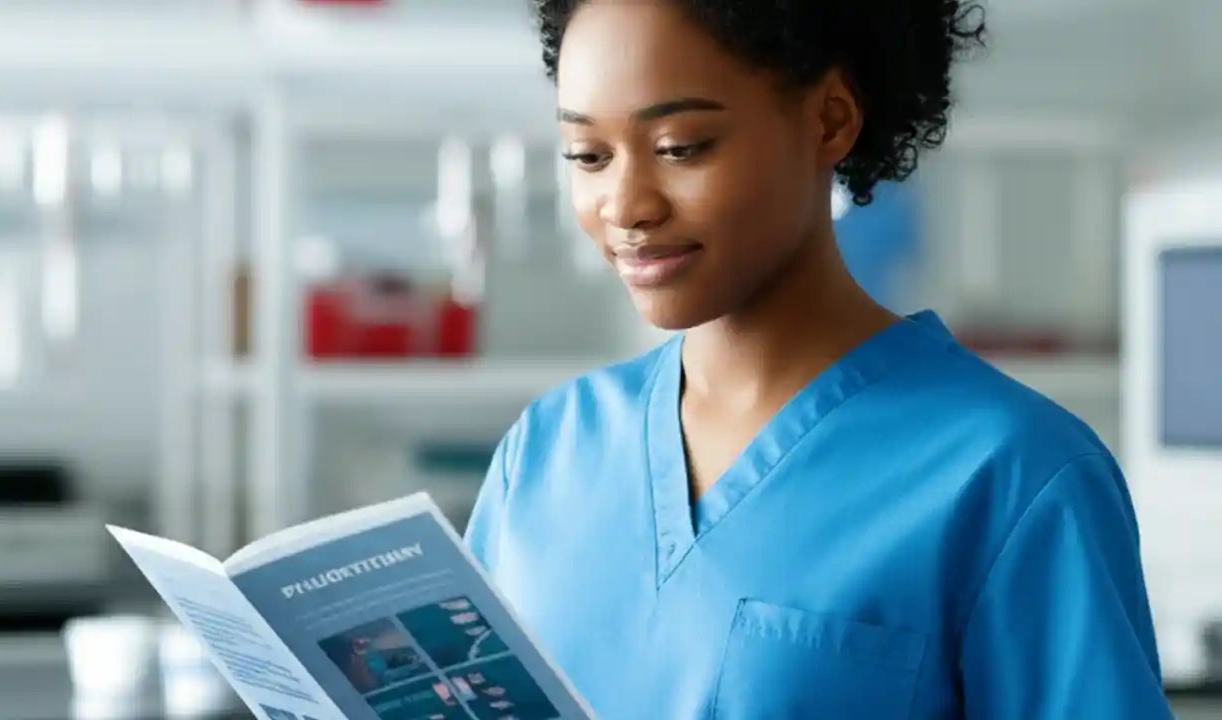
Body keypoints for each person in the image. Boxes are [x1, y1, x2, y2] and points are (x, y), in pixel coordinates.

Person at [464, 1, 1173, 717]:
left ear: (830, 119)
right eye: (588, 156)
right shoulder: (547, 451)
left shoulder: (1014, 476)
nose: (626, 206)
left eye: (680, 147)